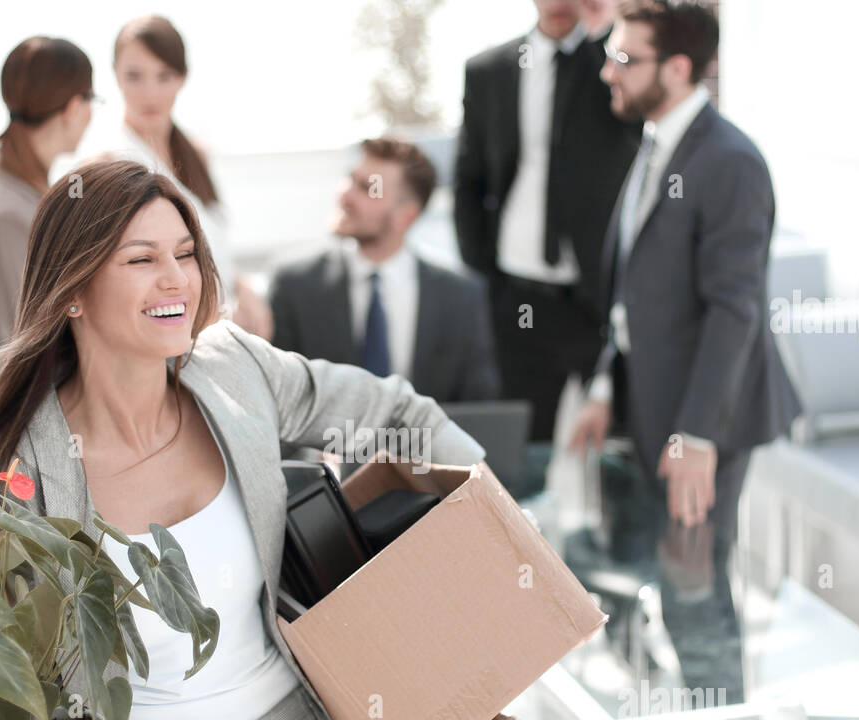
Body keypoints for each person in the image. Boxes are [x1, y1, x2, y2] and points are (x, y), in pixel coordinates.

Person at [0, 158, 484, 720]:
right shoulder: (4, 471)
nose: (177, 280)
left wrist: (501, 530)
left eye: (186, 254)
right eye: (142, 260)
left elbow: (398, 416)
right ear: (72, 290)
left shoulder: (234, 374)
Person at [567, 0, 801, 720]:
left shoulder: (730, 162)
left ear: (677, 68)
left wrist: (697, 436)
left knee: (699, 601)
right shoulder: (660, 144)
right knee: (673, 593)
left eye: (624, 59)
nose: (607, 71)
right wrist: (603, 384)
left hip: (710, 427)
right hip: (652, 416)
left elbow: (735, 310)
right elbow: (635, 295)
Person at [454, 0, 639, 491]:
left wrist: (606, 32)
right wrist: (484, 279)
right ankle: (520, 561)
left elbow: (633, 129)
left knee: (620, 450)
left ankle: (616, 560)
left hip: (599, 296)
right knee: (521, 458)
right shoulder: (489, 70)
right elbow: (468, 180)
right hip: (521, 299)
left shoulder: (613, 67)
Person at [58, 15, 273, 340]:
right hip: (170, 338)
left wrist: (244, 286)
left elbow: (210, 245)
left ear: (182, 77)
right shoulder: (106, 163)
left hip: (226, 331)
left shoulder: (195, 153)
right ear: (115, 75)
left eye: (164, 75)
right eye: (135, 76)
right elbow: (100, 278)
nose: (150, 92)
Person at [269, 136, 500, 405]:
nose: (345, 195)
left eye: (366, 188)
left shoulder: (461, 296)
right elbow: (279, 404)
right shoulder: (293, 285)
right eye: (350, 179)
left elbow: (479, 408)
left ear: (405, 216)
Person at [0, 37, 96, 372]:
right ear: (73, 107)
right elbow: (31, 343)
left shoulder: (28, 191)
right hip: (38, 413)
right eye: (92, 100)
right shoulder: (6, 214)